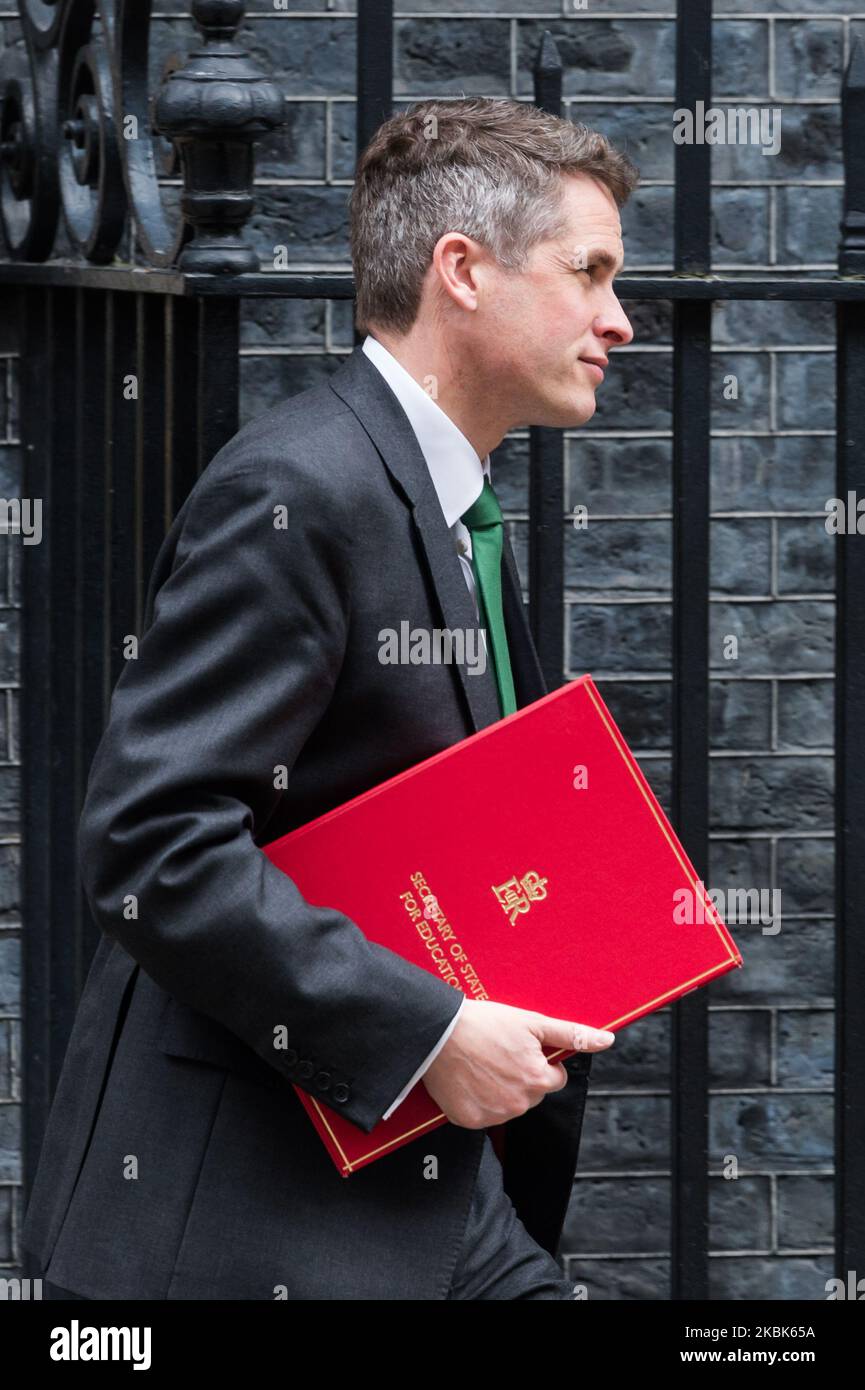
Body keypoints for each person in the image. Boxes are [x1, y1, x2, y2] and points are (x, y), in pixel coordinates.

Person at [22, 96, 638, 1300]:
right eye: (590, 272)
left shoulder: (448, 501)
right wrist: (427, 1033)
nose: (618, 318)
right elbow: (151, 841)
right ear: (461, 270)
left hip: (431, 1197)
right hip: (249, 1223)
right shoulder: (301, 488)